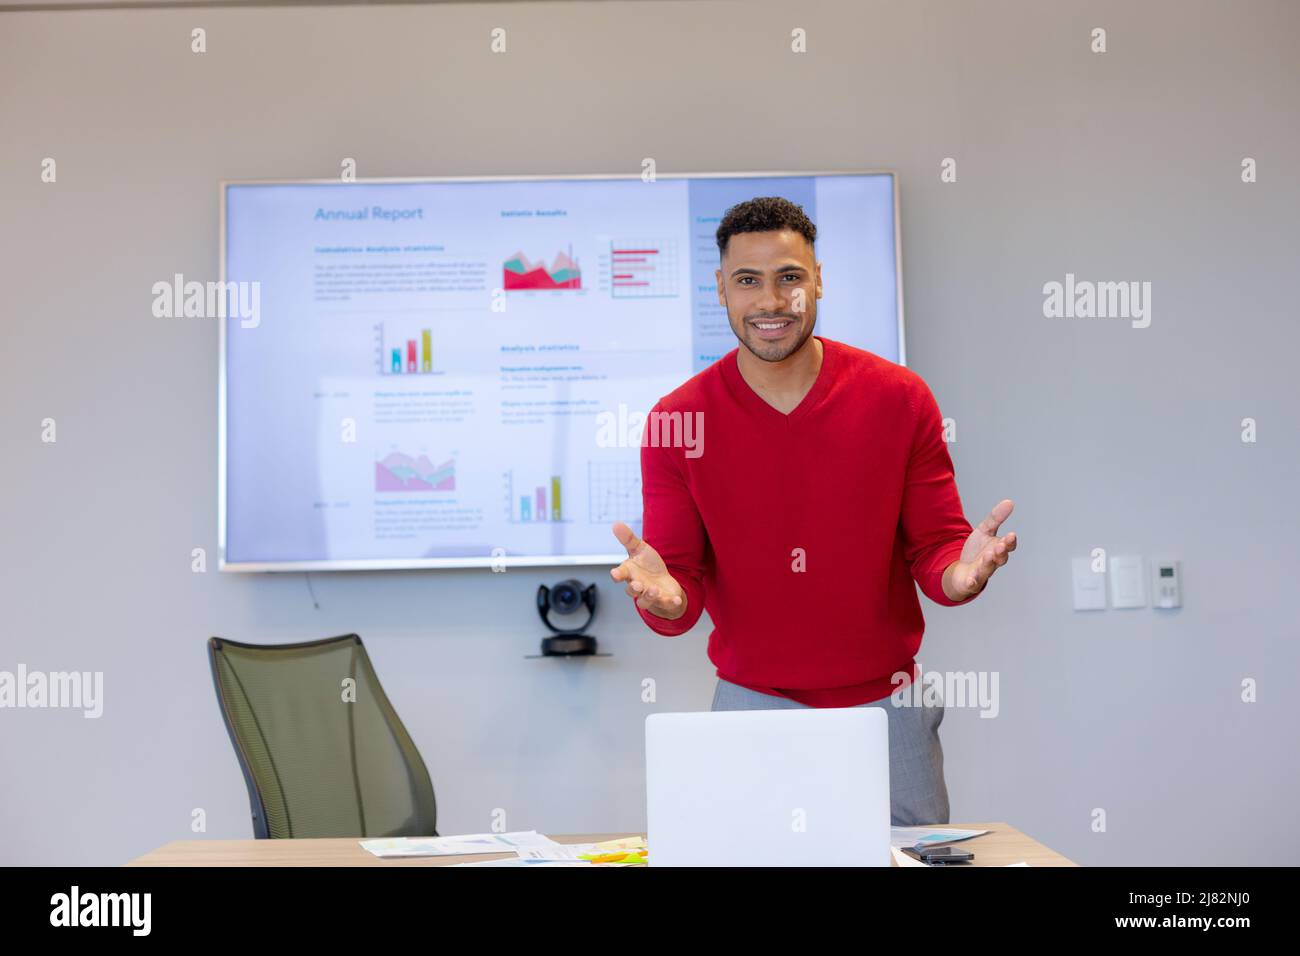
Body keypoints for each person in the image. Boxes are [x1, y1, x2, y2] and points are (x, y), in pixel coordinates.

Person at [610, 196, 1016, 825]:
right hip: (751, 709)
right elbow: (677, 586)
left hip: (889, 711)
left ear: (817, 280)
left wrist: (958, 576)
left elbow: (938, 550)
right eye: (748, 280)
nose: (770, 301)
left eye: (789, 277)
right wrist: (662, 599)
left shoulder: (899, 399)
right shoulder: (677, 420)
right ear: (721, 289)